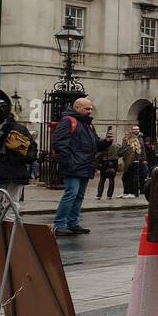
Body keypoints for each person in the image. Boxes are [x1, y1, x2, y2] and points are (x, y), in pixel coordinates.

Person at [52, 96, 112, 235]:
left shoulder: (88, 124)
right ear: (77, 107)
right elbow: (59, 143)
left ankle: (73, 223)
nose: (90, 111)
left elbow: (96, 144)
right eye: (87, 109)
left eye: (91, 109)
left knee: (79, 195)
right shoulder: (68, 121)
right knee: (71, 194)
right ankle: (59, 224)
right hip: (74, 165)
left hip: (85, 165)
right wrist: (69, 161)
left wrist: (107, 142)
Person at [0, 89, 38, 216]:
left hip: (14, 172)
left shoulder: (18, 128)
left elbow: (32, 147)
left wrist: (25, 157)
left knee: (11, 207)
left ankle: (10, 235)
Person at [96, 131, 119, 200]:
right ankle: (109, 195)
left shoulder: (104, 144)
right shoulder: (117, 145)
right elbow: (120, 153)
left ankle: (99, 195)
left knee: (102, 180)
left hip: (105, 162)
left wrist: (97, 164)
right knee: (111, 180)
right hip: (114, 163)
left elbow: (98, 155)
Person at [118, 130, 142, 198]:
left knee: (131, 178)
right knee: (126, 178)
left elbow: (130, 157)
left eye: (126, 136)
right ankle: (126, 192)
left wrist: (127, 165)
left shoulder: (132, 147)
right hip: (131, 163)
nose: (125, 138)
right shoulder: (129, 146)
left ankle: (131, 193)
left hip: (131, 163)